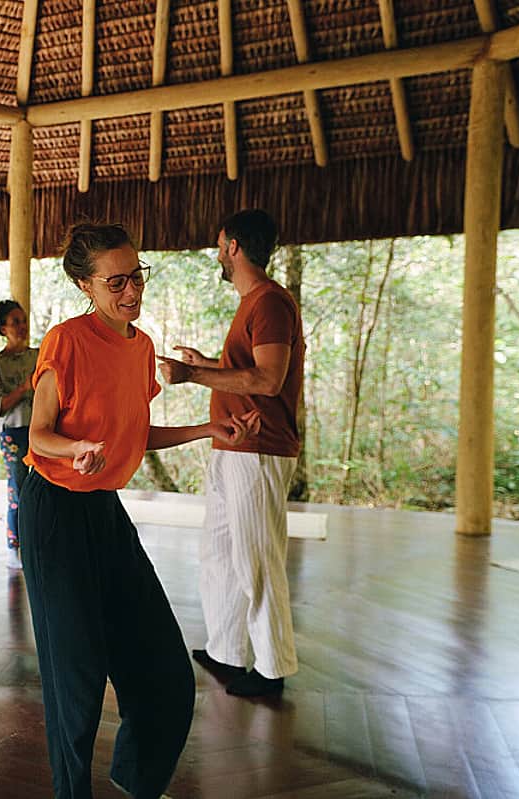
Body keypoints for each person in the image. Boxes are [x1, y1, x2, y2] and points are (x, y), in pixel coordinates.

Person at [22, 223, 259, 799]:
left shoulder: (141, 345)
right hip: (52, 510)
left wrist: (208, 427)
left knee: (167, 676)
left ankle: (136, 782)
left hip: (103, 511)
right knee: (75, 676)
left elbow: (134, 433)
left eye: (137, 276)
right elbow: (39, 434)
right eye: (116, 282)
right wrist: (76, 449)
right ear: (85, 285)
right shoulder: (67, 341)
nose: (132, 292)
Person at [157, 208, 305, 698]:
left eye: (221, 245)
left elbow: (268, 379)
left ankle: (272, 668)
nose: (218, 254)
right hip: (232, 445)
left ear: (235, 247)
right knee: (218, 554)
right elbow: (245, 370)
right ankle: (228, 651)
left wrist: (191, 375)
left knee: (256, 559)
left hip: (258, 449)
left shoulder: (270, 303)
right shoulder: (252, 304)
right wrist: (209, 364)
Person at [0, 299, 38, 570]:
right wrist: (27, 386)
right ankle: (14, 546)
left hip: (43, 432)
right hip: (13, 435)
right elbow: (0, 406)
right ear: (2, 328)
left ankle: (39, 544)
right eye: (14, 322)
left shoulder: (39, 356)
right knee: (17, 490)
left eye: (23, 320)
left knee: (44, 490)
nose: (21, 327)